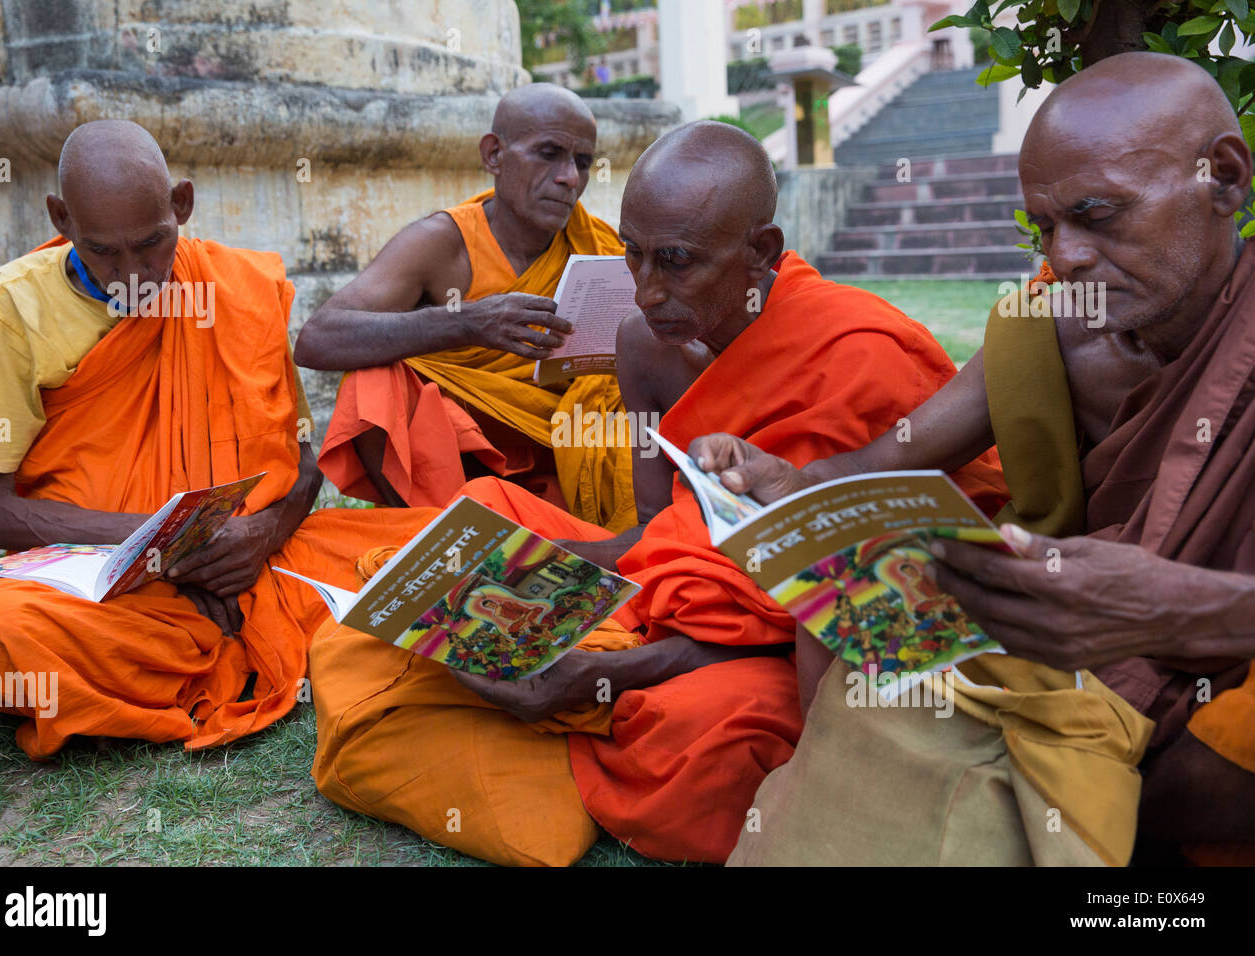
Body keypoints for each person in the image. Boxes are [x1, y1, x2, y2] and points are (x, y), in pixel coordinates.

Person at [308, 121, 1008, 865]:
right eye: (631, 255)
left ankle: (565, 729)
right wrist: (539, 573)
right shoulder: (646, 340)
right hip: (678, 603)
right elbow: (654, 531)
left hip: (801, 644)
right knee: (462, 544)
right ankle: (552, 710)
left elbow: (842, 608)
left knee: (708, 733)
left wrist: (606, 670)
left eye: (675, 263)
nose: (645, 292)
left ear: (761, 255)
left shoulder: (855, 355)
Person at [694, 52, 1255, 858]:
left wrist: (1168, 605)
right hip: (1051, 647)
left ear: (1224, 178)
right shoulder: (1047, 330)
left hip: (1214, 680)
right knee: (853, 594)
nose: (1066, 258)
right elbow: (884, 463)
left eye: (1098, 216)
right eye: (1046, 228)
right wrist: (785, 478)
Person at [0, 120, 425, 758]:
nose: (132, 275)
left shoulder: (233, 288)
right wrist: (165, 545)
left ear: (182, 203)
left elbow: (301, 460)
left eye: (152, 244)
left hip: (248, 561)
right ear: (61, 218)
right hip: (108, 582)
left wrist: (259, 537)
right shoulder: (8, 308)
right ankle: (257, 643)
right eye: (102, 251)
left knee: (432, 555)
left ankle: (235, 636)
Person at [295, 83, 635, 532]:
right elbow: (318, 338)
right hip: (459, 471)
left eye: (582, 162)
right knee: (372, 380)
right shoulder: (444, 242)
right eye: (549, 154)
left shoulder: (600, 246)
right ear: (494, 155)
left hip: (562, 461)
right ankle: (438, 537)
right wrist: (467, 323)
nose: (569, 177)